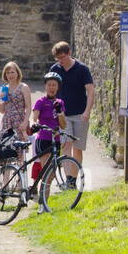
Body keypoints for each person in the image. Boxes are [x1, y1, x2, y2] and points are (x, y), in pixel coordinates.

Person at [48, 41, 94, 187]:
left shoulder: (82, 69)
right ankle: (69, 181)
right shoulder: (55, 69)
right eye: (58, 58)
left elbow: (91, 91)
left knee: (78, 148)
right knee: (66, 145)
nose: (61, 61)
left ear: (69, 53)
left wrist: (87, 111)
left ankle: (73, 178)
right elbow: (50, 91)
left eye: (62, 57)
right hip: (63, 115)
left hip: (80, 114)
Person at [29, 71, 67, 213]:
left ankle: (44, 203)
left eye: (54, 85)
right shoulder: (41, 101)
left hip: (55, 141)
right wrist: (35, 124)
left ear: (58, 87)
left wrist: (60, 112)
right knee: (47, 172)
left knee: (50, 176)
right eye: (49, 84)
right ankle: (42, 205)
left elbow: (63, 125)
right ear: (45, 86)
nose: (52, 87)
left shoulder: (60, 103)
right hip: (43, 139)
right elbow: (34, 118)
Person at [0, 61, 32, 160]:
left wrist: (25, 122)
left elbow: (28, 107)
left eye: (12, 72)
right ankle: (7, 175)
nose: (10, 75)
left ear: (17, 73)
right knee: (7, 151)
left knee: (20, 153)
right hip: (7, 123)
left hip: (20, 121)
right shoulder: (4, 89)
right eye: (7, 73)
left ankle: (21, 174)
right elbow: (2, 110)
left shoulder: (24, 87)